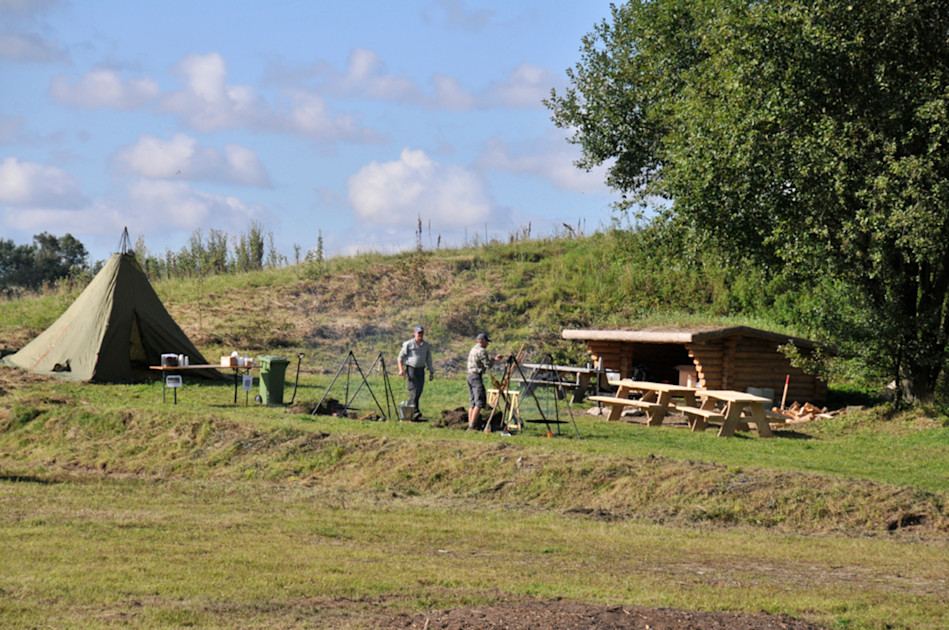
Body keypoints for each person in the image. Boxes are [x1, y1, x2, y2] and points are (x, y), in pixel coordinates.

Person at [466, 332, 504, 431]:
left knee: (473, 402)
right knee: (479, 402)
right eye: (486, 342)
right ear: (482, 341)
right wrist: (494, 361)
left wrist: (493, 358)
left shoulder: (473, 349)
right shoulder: (482, 351)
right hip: (476, 377)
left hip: (469, 376)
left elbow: (481, 360)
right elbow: (488, 365)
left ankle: (471, 424)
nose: (487, 344)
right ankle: (472, 426)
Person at [397, 325, 434, 420]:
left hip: (421, 370)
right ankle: (416, 411)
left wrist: (431, 371)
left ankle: (409, 408)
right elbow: (400, 357)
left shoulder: (426, 345)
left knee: (419, 390)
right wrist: (401, 369)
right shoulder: (408, 344)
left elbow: (428, 359)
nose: (420, 335)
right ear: (414, 333)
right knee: (414, 389)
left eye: (421, 333)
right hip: (411, 369)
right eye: (418, 333)